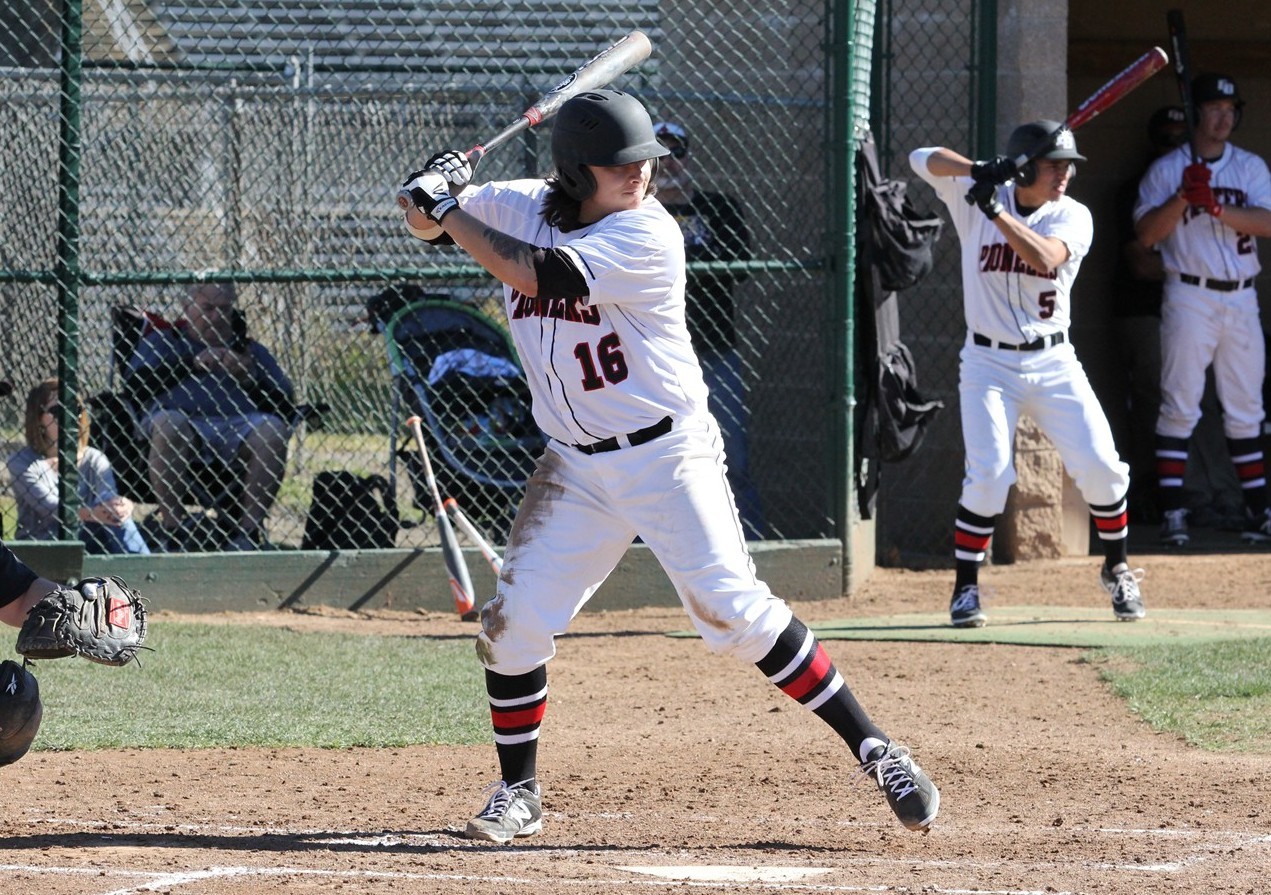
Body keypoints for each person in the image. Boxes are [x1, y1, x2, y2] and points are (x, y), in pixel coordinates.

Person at [400, 88, 939, 842]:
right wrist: (432, 190)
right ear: (574, 170)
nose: (639, 176)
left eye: (643, 162)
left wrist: (448, 209)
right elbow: (422, 221)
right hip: (575, 466)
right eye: (620, 165)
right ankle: (518, 793)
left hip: (665, 454)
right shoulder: (515, 203)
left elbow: (533, 275)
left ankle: (876, 747)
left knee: (734, 609)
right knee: (512, 625)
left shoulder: (648, 235)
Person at [908, 121, 1146, 628]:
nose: (1063, 174)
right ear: (1025, 166)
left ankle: (1117, 566)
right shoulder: (978, 192)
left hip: (1054, 359)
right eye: (1053, 164)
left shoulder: (1073, 215)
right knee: (990, 475)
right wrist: (980, 171)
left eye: (1068, 165)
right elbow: (919, 156)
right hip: (987, 364)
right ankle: (966, 589)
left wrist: (993, 207)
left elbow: (1044, 256)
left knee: (1102, 467)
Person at [1133, 73, 1271, 546]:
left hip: (1240, 294)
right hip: (1189, 294)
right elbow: (1148, 235)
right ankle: (1174, 514)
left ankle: (1260, 510)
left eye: (1231, 109)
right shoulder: (1168, 170)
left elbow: (1268, 221)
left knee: (1246, 408)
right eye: (1214, 108)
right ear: (1196, 113)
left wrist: (1212, 207)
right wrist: (1183, 198)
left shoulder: (1249, 167)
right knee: (1179, 404)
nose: (1224, 117)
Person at [650, 120, 765, 538]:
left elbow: (738, 264)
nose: (670, 163)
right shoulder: (637, 213)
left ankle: (749, 544)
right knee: (656, 460)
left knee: (732, 454)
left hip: (715, 350)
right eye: (659, 155)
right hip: (654, 358)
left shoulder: (719, 207)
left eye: (677, 153)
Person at [123, 282, 295, 552]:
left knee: (273, 429)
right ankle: (174, 532)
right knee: (170, 423)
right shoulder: (165, 341)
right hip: (182, 424)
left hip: (238, 427)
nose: (216, 317)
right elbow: (134, 386)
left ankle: (247, 535)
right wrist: (190, 365)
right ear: (187, 308)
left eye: (224, 309)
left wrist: (249, 377)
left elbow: (285, 403)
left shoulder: (249, 350)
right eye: (208, 308)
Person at [7, 378, 150, 555]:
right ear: (38, 419)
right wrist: (93, 514)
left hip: (88, 537)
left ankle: (148, 576)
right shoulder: (21, 461)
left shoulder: (93, 457)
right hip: (43, 543)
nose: (70, 418)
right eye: (58, 411)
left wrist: (123, 505)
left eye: (75, 410)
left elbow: (108, 495)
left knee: (117, 513)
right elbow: (51, 508)